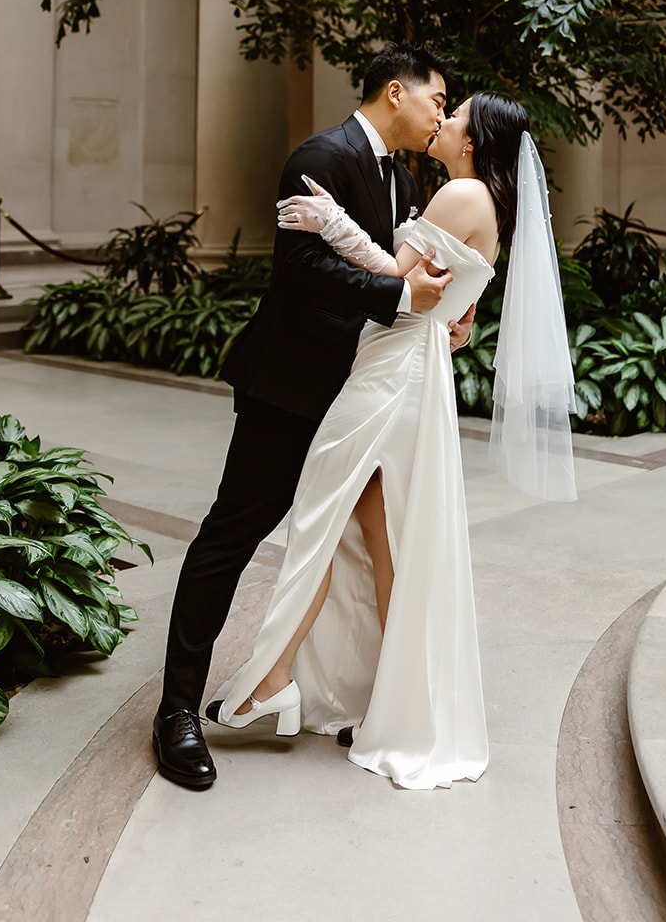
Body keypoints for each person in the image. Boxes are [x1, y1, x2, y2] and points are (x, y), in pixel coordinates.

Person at [203, 92, 576, 791]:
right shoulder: (475, 197)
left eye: (454, 112)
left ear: (475, 137)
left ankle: (277, 680)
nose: (443, 119)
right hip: (404, 365)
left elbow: (391, 279)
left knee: (322, 509)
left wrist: (333, 223)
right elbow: (448, 306)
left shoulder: (463, 193)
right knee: (373, 534)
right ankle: (372, 691)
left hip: (391, 374)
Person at [152, 43, 469, 789]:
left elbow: (402, 268)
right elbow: (299, 271)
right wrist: (400, 300)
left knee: (371, 548)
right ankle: (175, 713)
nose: (438, 115)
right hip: (292, 389)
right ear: (397, 92)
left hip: (364, 397)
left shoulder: (398, 175)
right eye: (435, 100)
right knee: (230, 536)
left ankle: (357, 700)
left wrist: (438, 314)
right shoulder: (318, 155)